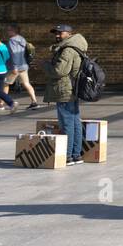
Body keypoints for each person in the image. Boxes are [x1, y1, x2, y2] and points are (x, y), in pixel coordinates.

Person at [43, 22, 89, 165]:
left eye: (60, 33)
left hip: (65, 90)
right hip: (72, 88)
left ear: (69, 34)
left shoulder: (68, 50)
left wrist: (45, 65)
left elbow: (60, 71)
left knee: (67, 123)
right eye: (56, 33)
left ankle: (68, 155)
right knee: (75, 122)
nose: (57, 35)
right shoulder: (76, 46)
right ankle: (76, 155)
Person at [3, 24, 42, 110]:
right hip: (24, 65)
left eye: (9, 30)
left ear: (14, 31)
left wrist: (15, 67)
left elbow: (14, 54)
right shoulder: (22, 39)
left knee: (6, 83)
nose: (7, 31)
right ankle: (34, 101)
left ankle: (1, 103)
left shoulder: (12, 40)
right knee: (26, 83)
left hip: (14, 67)